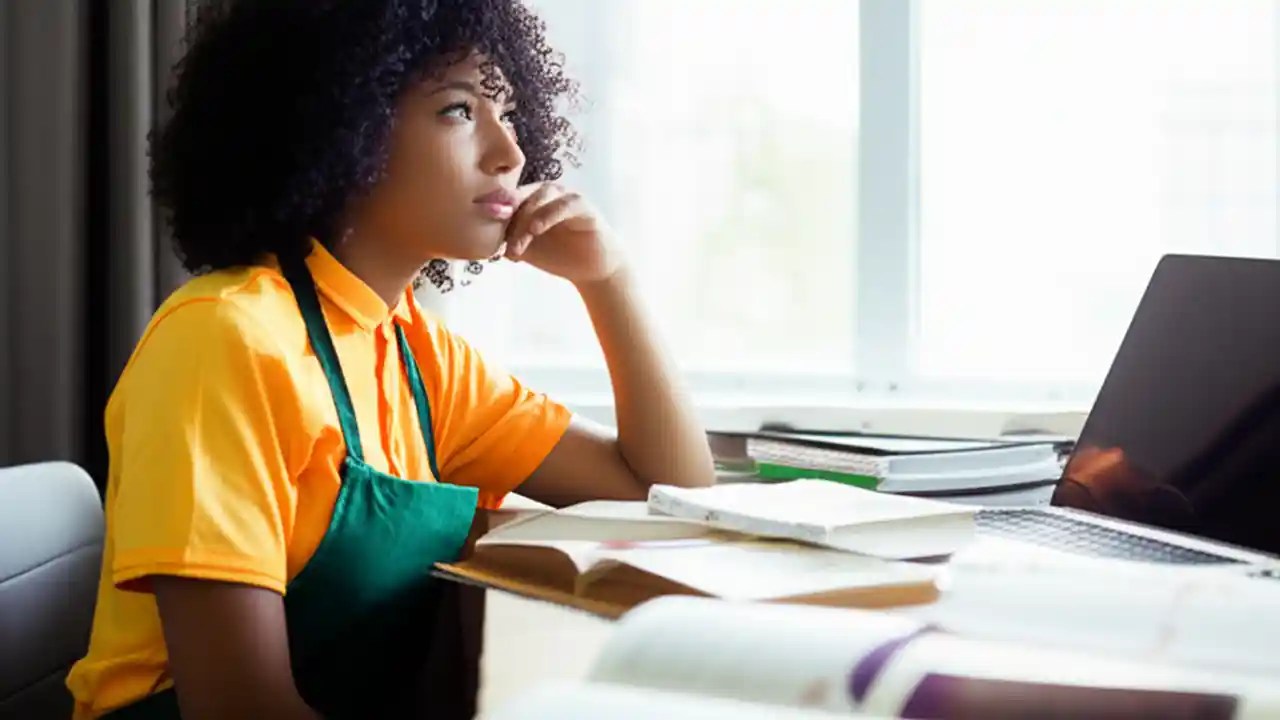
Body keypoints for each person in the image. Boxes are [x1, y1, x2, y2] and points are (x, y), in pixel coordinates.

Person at [65, 1, 716, 717]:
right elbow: (239, 706)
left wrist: (608, 279)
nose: (511, 152)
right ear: (339, 127)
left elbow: (669, 489)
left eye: (507, 109)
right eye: (459, 110)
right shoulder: (225, 341)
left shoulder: (414, 351)